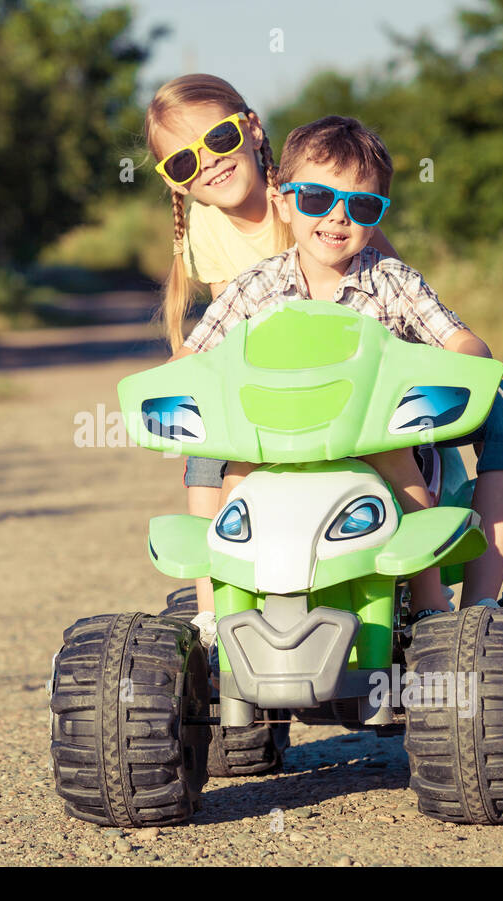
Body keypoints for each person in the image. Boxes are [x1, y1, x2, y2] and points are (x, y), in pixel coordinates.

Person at [175, 115, 503, 628]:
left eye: (361, 205)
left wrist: (466, 357)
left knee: (397, 450)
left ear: (378, 215)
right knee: (235, 466)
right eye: (316, 200)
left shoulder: (392, 282)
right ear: (283, 201)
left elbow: (456, 336)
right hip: (276, 436)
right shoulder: (256, 287)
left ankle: (439, 600)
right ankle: (221, 610)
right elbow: (197, 352)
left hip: (373, 433)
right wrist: (177, 379)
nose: (337, 218)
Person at [144, 76, 402, 641]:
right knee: (209, 458)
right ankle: (214, 614)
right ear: (175, 182)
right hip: (268, 385)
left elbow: (386, 284)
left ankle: (427, 595)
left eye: (217, 140)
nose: (208, 164)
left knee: (414, 456)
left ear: (251, 128)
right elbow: (224, 332)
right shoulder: (208, 227)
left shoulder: (310, 199)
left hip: (345, 374)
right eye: (185, 163)